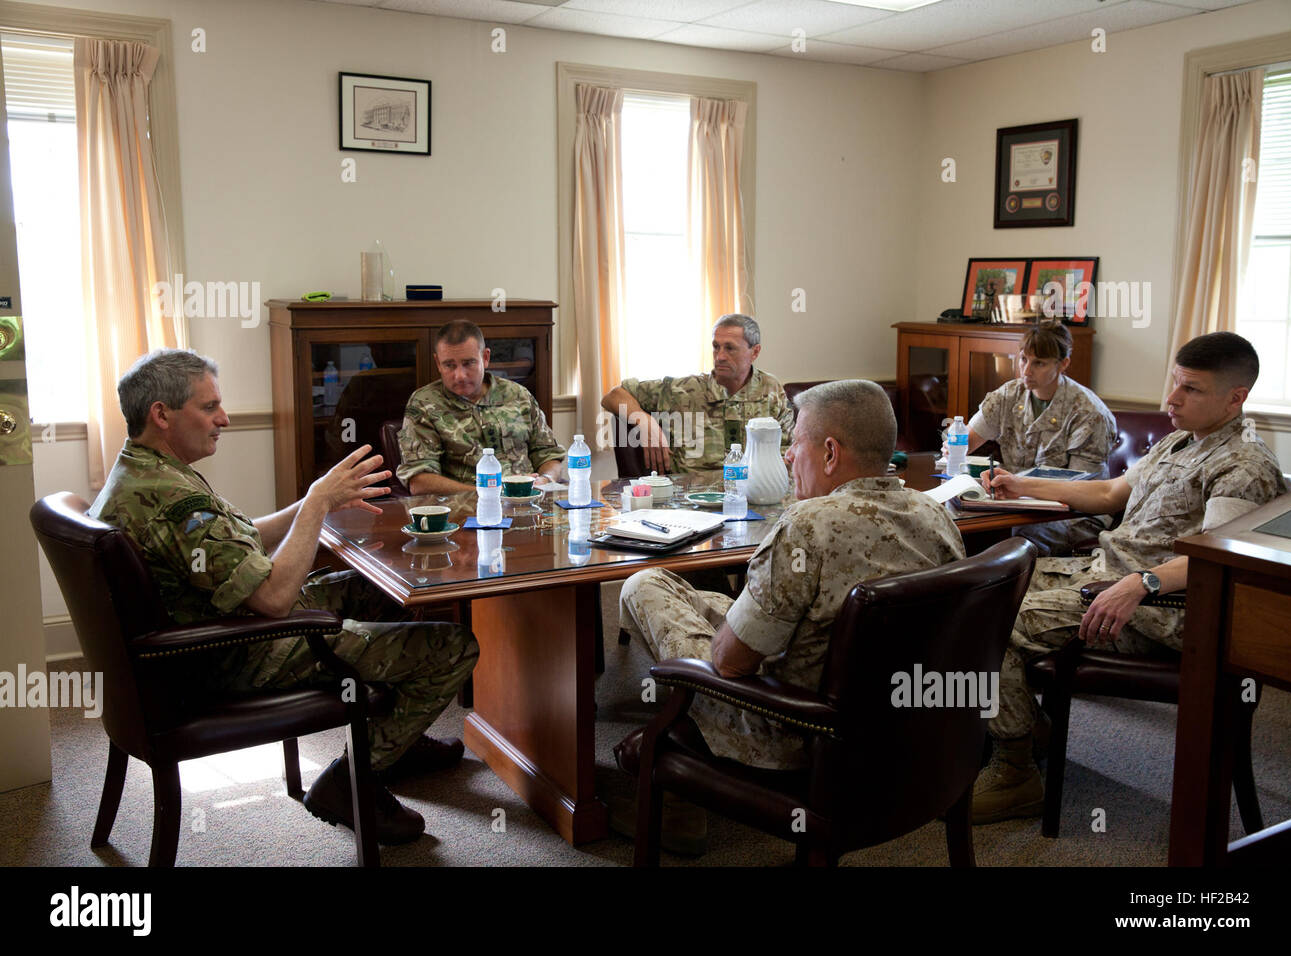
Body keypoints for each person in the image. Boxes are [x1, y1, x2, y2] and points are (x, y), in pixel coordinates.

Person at [89, 349, 479, 846]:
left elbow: (240, 538)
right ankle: (350, 779)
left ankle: (396, 741)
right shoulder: (173, 500)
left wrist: (316, 499)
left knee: (380, 589)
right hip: (229, 654)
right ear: (161, 414)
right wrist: (316, 505)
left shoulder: (144, 474)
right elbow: (273, 598)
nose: (224, 419)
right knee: (453, 646)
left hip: (208, 630)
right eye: (209, 408)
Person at [615, 380, 965, 851]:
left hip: (794, 730)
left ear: (830, 453)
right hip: (903, 726)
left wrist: (719, 637)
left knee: (643, 585)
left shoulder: (807, 526)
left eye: (794, 443)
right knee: (679, 591)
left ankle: (679, 803)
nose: (786, 456)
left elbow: (732, 665)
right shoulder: (935, 515)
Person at [972, 331, 1286, 824]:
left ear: (1235, 397)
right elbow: (1108, 494)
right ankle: (1026, 729)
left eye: (1192, 390)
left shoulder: (1243, 466)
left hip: (1162, 607)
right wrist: (1022, 484)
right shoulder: (1182, 440)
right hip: (1105, 574)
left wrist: (1142, 583)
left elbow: (1217, 556)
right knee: (972, 594)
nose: (1172, 400)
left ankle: (1017, 772)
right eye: (1174, 384)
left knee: (992, 623)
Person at [965, 322, 1118, 556]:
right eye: (1024, 359)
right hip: (1015, 506)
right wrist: (953, 449)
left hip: (1074, 516)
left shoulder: (1089, 414)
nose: (1026, 371)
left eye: (1039, 363)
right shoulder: (1008, 395)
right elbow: (964, 442)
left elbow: (1081, 492)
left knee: (1015, 536)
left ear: (1063, 364)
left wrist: (1021, 492)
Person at [600, 314, 795, 475]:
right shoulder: (683, 390)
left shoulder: (770, 390)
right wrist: (643, 420)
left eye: (730, 348)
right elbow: (613, 396)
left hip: (756, 494)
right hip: (692, 501)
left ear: (755, 352)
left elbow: (791, 451)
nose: (720, 356)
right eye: (716, 347)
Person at [397, 319, 566, 495]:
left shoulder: (517, 394)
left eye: (468, 363)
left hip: (529, 501)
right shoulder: (424, 404)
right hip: (466, 509)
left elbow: (549, 454)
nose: (460, 375)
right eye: (449, 365)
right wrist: (490, 492)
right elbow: (420, 481)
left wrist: (546, 479)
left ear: (485, 358)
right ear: (438, 363)